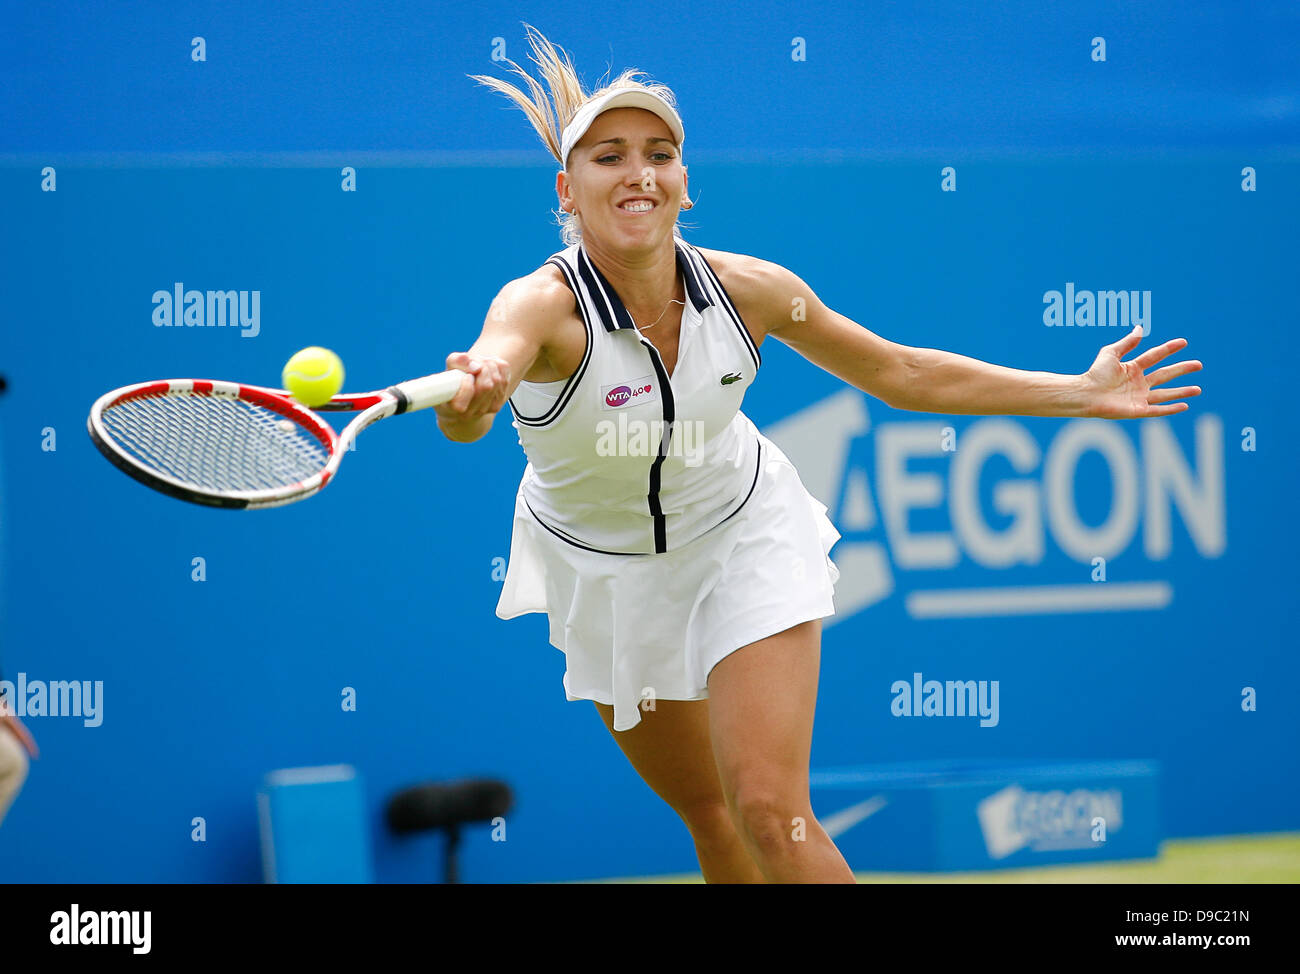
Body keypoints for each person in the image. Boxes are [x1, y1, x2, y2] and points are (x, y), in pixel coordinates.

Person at [434, 26, 1202, 883]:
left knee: (771, 810)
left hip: (740, 531)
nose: (639, 172)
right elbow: (481, 388)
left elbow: (901, 373)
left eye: (660, 153)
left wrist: (1076, 392)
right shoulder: (540, 307)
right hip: (606, 569)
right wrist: (480, 392)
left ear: (684, 185)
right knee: (712, 816)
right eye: (609, 157)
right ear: (568, 191)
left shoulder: (755, 290)